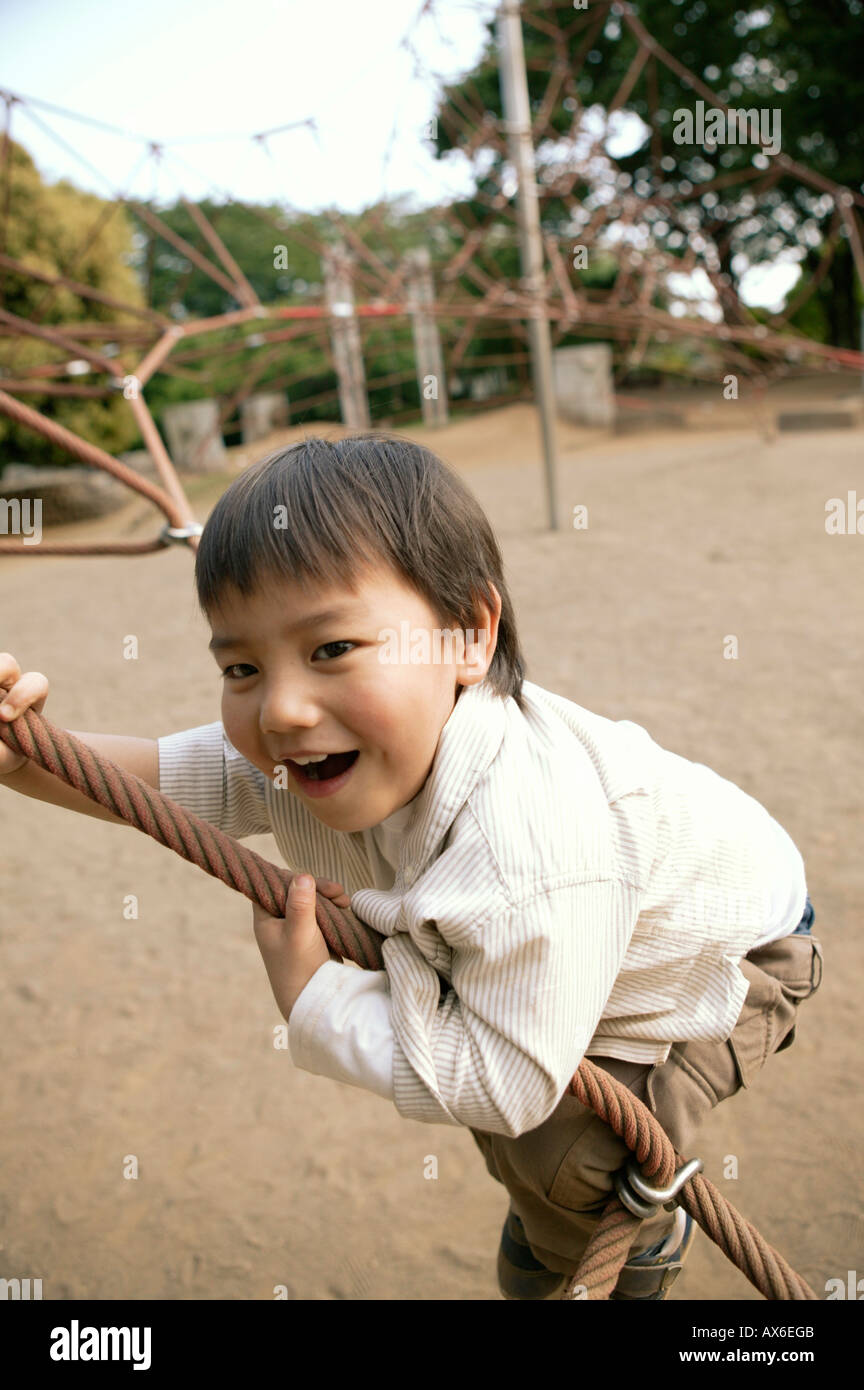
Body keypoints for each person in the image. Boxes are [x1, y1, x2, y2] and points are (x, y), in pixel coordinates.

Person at [0, 433, 824, 1300]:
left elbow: (507, 1083)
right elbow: (171, 781)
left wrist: (314, 999)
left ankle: (631, 1236)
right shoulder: (329, 745)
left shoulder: (532, 842)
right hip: (572, 927)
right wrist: (30, 758)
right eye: (241, 666)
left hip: (725, 956)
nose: (280, 708)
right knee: (490, 1070)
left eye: (331, 650)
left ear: (468, 635)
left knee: (556, 1141)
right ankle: (557, 1217)